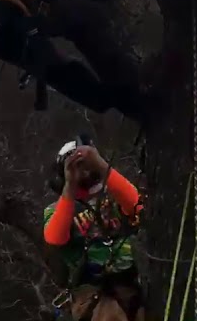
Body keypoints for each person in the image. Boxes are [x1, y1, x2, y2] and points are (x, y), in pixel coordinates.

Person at [43, 137, 146, 321]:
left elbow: (136, 205)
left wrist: (99, 164)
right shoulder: (58, 209)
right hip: (92, 292)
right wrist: (70, 184)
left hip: (131, 283)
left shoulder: (115, 194)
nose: (85, 170)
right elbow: (55, 237)